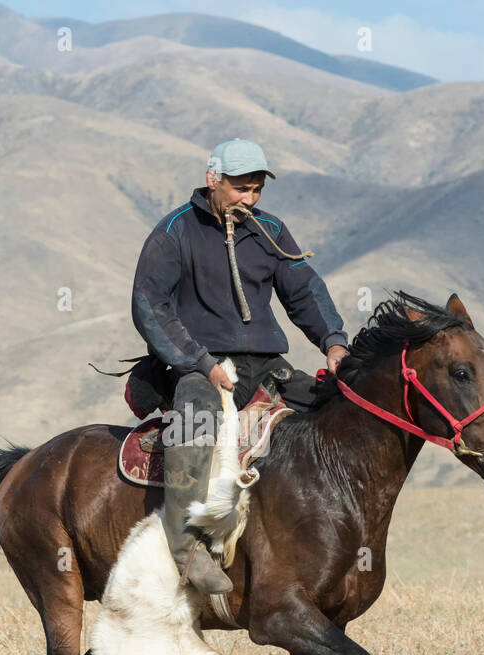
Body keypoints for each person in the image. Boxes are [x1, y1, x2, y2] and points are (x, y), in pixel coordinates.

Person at [130, 138, 350, 595]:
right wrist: (200, 362)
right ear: (214, 179)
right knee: (195, 416)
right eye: (240, 188)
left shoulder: (269, 230)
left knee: (337, 405)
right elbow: (150, 304)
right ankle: (184, 546)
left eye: (256, 190)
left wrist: (333, 341)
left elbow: (303, 291)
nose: (248, 199)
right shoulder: (175, 230)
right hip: (198, 364)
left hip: (267, 364)